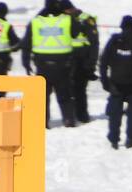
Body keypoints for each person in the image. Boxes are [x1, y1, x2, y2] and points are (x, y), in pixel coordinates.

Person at [23, 0, 78, 128]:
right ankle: (69, 119)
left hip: (42, 65)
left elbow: (26, 43)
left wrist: (26, 62)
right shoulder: (67, 20)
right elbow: (75, 33)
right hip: (63, 64)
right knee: (64, 94)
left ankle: (43, 122)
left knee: (42, 96)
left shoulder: (36, 21)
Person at [101, 16, 132, 149]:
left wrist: (105, 81)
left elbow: (104, 61)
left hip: (116, 83)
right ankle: (131, 139)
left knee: (115, 114)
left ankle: (114, 140)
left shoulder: (115, 40)